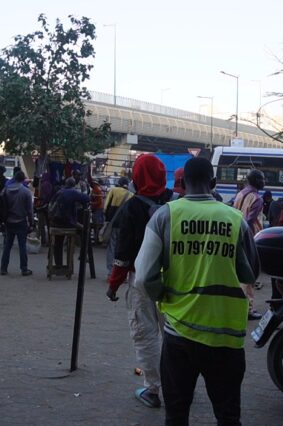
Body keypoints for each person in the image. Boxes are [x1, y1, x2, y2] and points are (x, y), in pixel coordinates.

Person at [134, 157, 259, 425]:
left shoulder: (165, 216)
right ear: (213, 184)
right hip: (227, 335)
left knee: (176, 415)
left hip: (180, 333)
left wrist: (163, 295)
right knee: (227, 415)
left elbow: (143, 277)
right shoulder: (236, 220)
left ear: (181, 183)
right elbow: (251, 274)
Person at [106, 154, 171, 409]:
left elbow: (122, 255)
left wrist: (113, 285)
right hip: (173, 280)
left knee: (145, 334)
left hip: (142, 280)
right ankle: (178, 384)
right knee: (173, 334)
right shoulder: (174, 203)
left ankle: (153, 389)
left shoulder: (133, 208)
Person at [233, 169, 265, 321]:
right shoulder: (257, 199)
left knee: (237, 272)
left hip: (235, 235)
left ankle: (237, 304)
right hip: (251, 238)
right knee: (250, 274)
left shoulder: (240, 193)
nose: (264, 182)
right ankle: (248, 309)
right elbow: (250, 221)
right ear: (256, 181)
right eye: (262, 179)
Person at [50, 178, 90, 268]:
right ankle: (83, 254)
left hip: (56, 222)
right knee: (84, 230)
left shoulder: (59, 191)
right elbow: (86, 199)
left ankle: (58, 264)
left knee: (58, 244)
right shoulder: (72, 192)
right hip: (67, 223)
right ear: (73, 185)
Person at [0, 171, 34, 276]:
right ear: (23, 179)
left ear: (14, 178)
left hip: (9, 221)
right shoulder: (26, 192)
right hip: (21, 221)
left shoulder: (6, 190)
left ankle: (3, 268)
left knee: (7, 246)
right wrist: (31, 222)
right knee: (22, 246)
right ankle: (24, 269)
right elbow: (29, 210)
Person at [104, 176, 132, 275]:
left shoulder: (113, 190)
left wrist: (107, 220)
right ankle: (118, 272)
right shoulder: (130, 195)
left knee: (112, 246)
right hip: (125, 225)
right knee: (121, 247)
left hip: (114, 223)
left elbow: (106, 206)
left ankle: (110, 271)